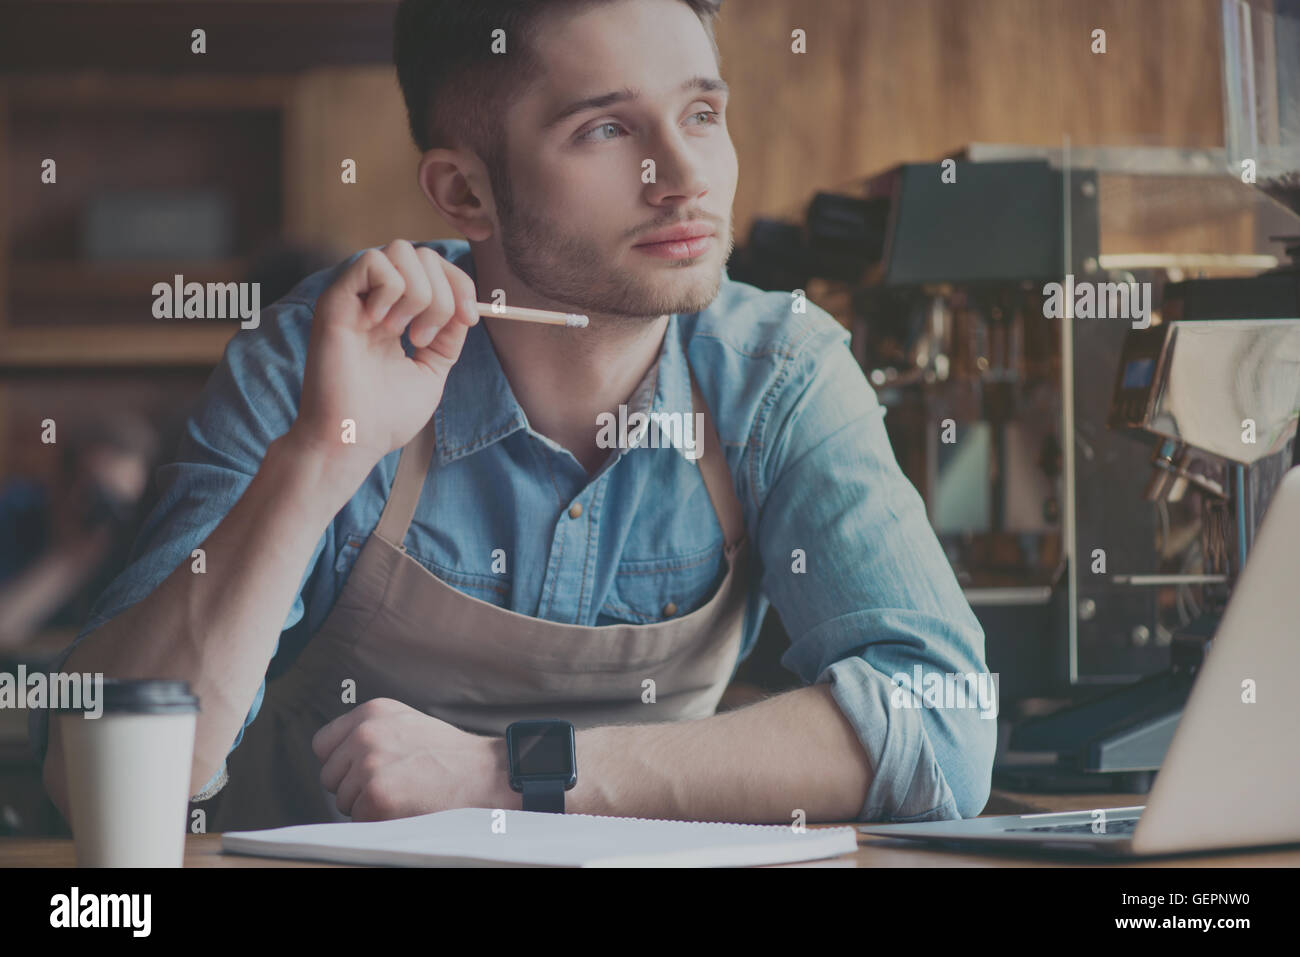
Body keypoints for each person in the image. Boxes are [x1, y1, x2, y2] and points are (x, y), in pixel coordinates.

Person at [36, 0, 996, 830]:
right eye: (606, 131)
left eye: (702, 113)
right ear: (466, 191)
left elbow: (944, 723)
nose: (683, 174)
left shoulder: (778, 373)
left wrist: (511, 774)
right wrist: (321, 457)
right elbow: (94, 782)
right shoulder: (317, 355)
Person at [0, 413, 157, 652]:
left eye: (122, 504)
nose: (109, 515)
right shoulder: (14, 511)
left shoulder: (135, 540)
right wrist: (68, 560)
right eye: (99, 495)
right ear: (59, 483)